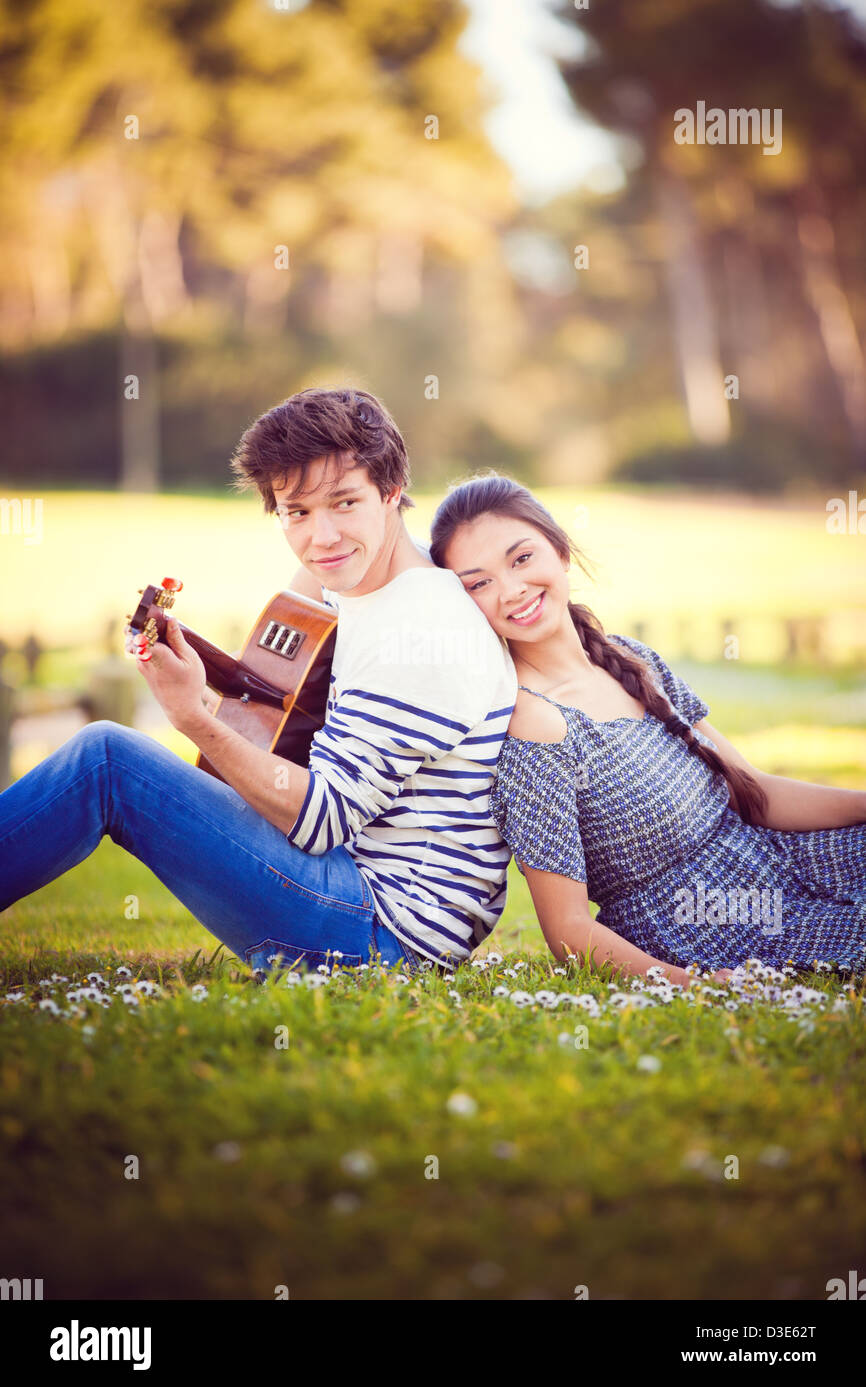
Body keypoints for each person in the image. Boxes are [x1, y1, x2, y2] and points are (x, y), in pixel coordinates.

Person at [0, 389, 517, 979]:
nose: (320, 537)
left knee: (108, 763)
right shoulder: (366, 579)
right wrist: (180, 646)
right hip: (362, 892)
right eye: (296, 512)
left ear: (392, 492)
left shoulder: (419, 630)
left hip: (382, 935)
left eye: (344, 502)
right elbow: (287, 638)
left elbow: (323, 819)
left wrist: (192, 716)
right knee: (109, 760)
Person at [429, 473, 866, 985]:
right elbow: (567, 929)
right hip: (711, 919)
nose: (511, 590)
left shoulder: (628, 658)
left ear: (560, 552)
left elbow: (756, 794)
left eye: (521, 558)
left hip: (781, 863)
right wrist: (702, 985)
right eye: (479, 583)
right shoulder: (535, 727)